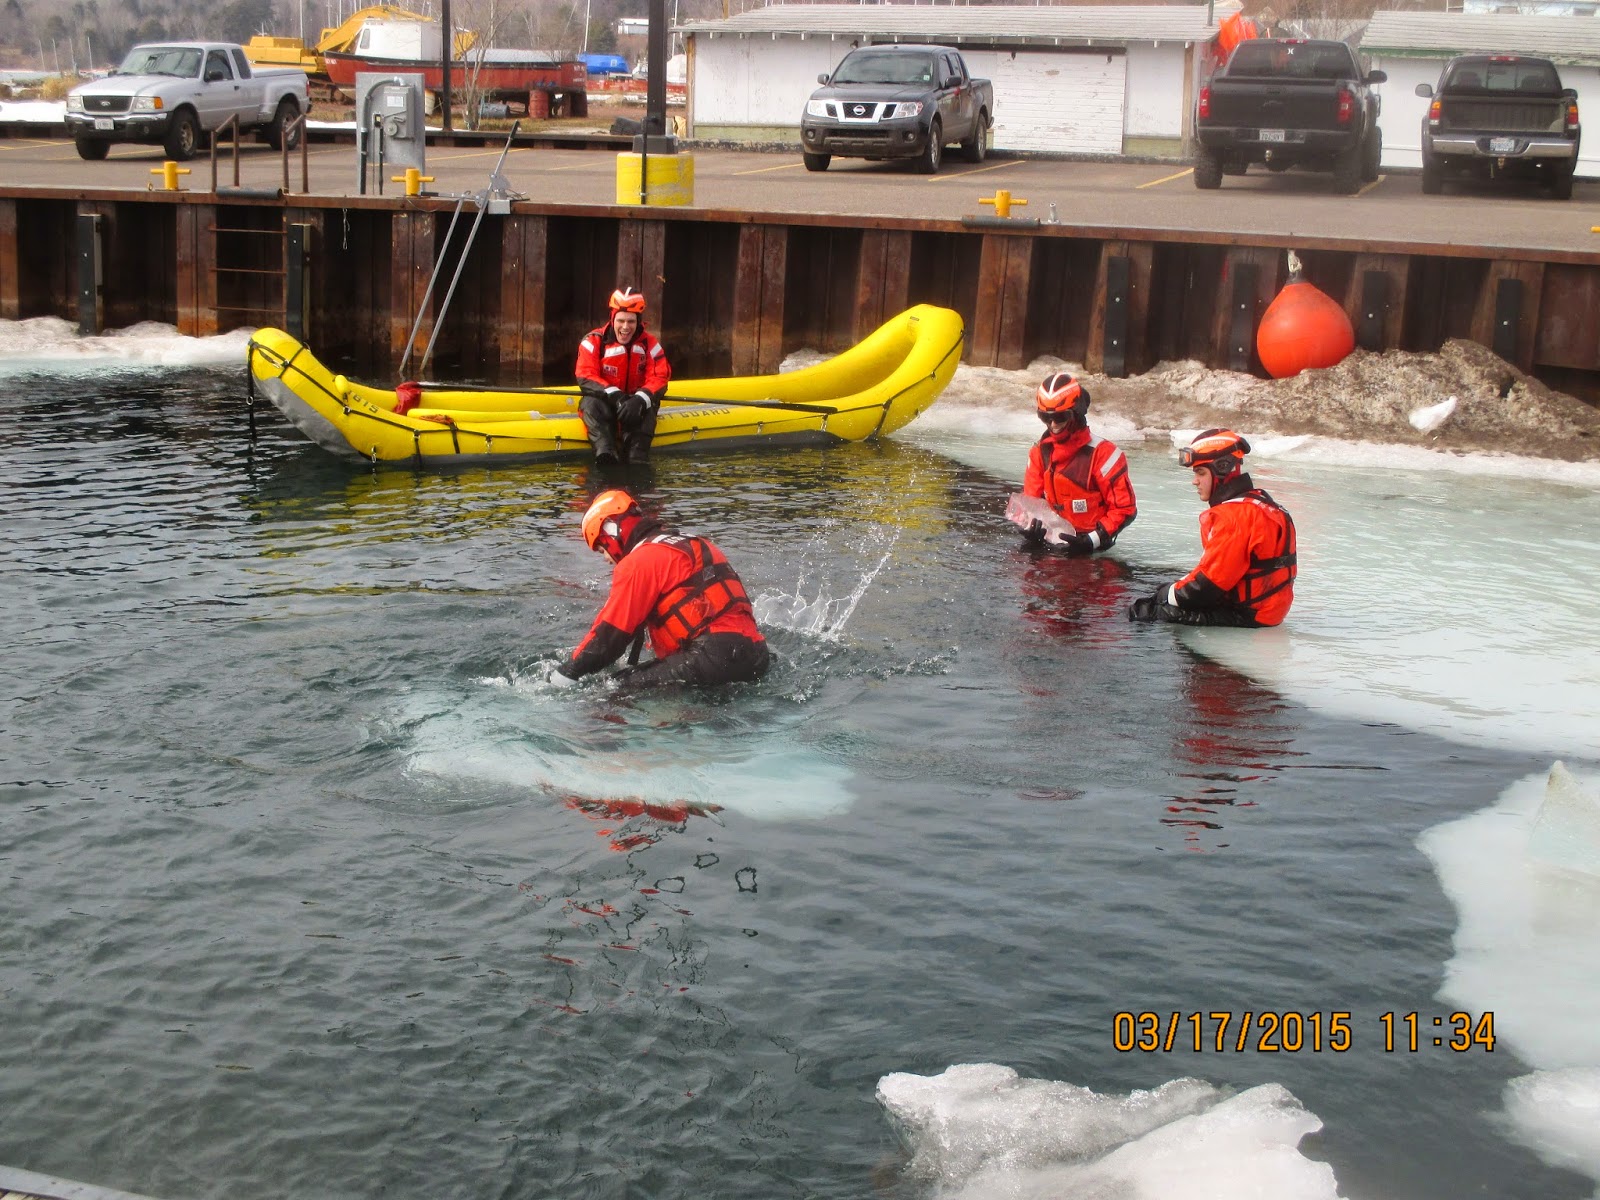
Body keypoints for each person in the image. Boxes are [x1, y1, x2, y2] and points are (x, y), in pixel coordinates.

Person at [554, 489, 770, 687]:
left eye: (602, 550)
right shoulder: (692, 541)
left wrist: (567, 673)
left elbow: (609, 637)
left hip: (712, 658)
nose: (607, 560)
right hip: (758, 656)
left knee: (611, 689)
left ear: (612, 534)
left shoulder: (638, 562)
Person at [1128, 429, 1297, 627]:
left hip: (1249, 614)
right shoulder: (1259, 502)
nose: (1195, 481)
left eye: (1201, 473)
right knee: (1166, 594)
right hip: (1267, 608)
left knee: (1142, 612)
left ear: (1221, 469)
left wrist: (1166, 595)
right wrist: (1172, 589)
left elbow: (1208, 586)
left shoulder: (1235, 517)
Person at [1018, 371, 1137, 554]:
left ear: (1075, 414)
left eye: (1060, 417)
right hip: (1048, 545)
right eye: (1045, 418)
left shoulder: (1104, 455)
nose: (1053, 424)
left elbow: (1124, 509)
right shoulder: (1039, 453)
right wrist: (1029, 528)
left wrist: (1092, 540)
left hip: (1093, 549)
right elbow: (1031, 503)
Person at [575, 286, 671, 465]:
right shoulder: (593, 341)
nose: (625, 327)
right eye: (621, 321)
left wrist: (641, 399)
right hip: (605, 404)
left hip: (636, 407)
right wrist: (615, 395)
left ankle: (636, 459)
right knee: (589, 403)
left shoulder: (650, 344)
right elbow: (585, 375)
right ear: (612, 319)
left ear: (638, 322)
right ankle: (605, 454)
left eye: (631, 322)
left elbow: (660, 377)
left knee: (648, 409)